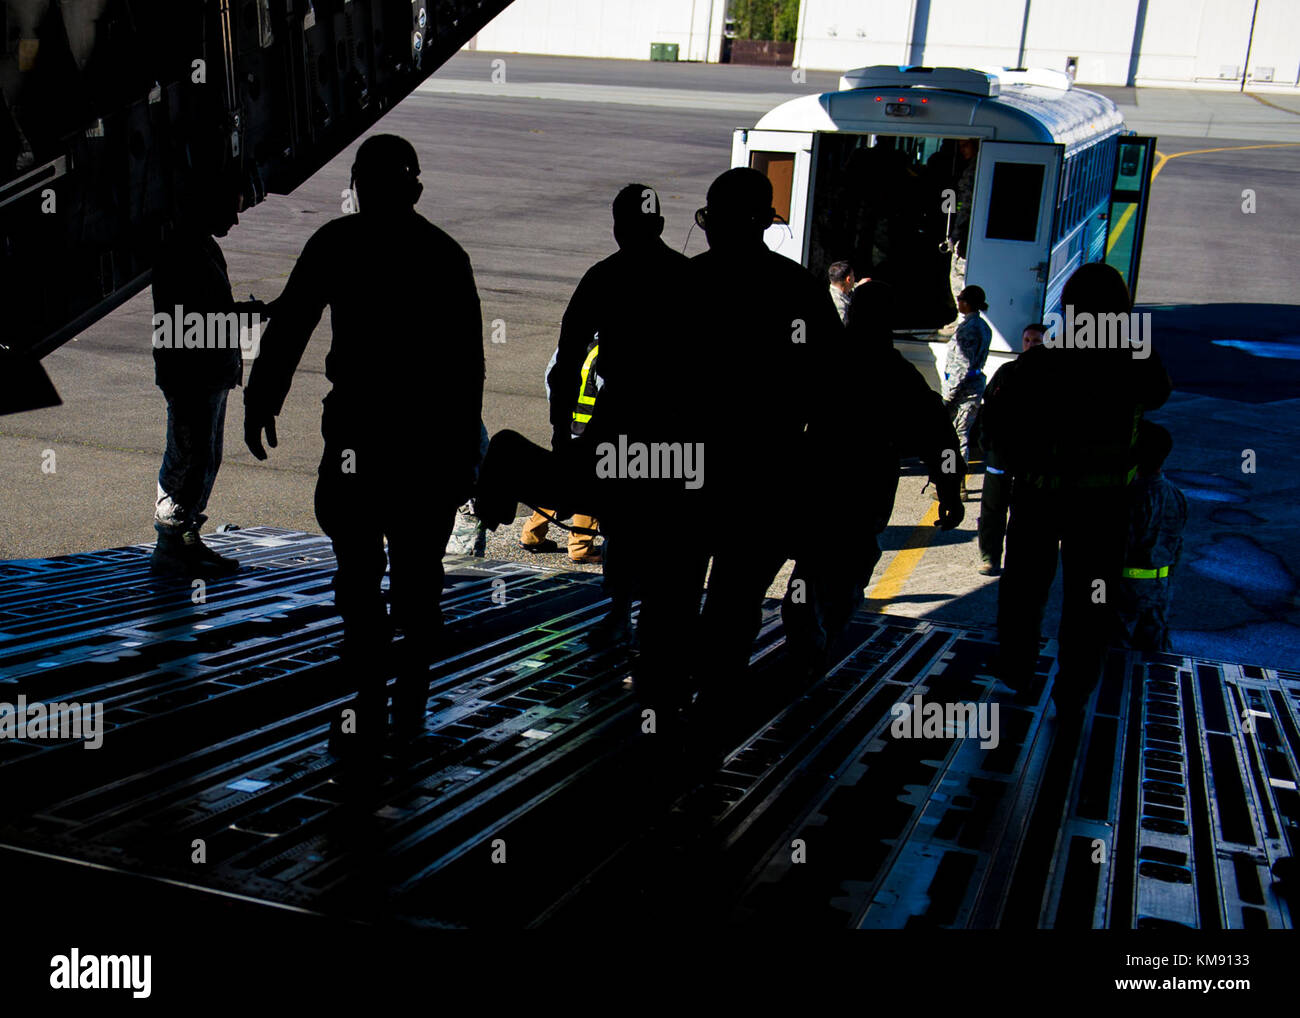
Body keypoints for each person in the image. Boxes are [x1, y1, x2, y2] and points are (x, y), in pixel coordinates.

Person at [243, 133, 485, 752]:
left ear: (357, 185)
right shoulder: (444, 256)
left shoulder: (336, 243)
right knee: (415, 578)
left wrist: (262, 398)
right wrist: (465, 452)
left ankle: (370, 690)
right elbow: (467, 368)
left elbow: (292, 324)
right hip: (425, 446)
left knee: (358, 569)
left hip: (358, 436)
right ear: (416, 188)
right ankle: (407, 701)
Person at [690, 168, 843, 721]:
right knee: (735, 597)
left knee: (678, 592)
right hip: (764, 474)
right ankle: (715, 700)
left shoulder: (686, 284)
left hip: (686, 473)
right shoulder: (799, 289)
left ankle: (670, 698)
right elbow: (830, 388)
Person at [994, 263, 1172, 716]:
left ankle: (1015, 669)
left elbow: (999, 424)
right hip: (1102, 507)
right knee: (1090, 599)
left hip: (1038, 499)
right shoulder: (1131, 366)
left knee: (1024, 589)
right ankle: (1074, 688)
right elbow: (1158, 391)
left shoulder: (1039, 364)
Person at [784, 281, 964, 680]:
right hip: (867, 487)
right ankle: (823, 641)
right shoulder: (899, 377)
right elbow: (940, 439)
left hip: (817, 483)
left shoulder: (822, 364)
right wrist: (949, 491)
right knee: (844, 577)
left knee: (809, 571)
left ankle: (805, 643)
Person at [150, 179, 262, 577]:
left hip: (209, 371)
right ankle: (173, 544)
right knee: (188, 457)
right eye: (228, 210)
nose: (234, 219)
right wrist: (253, 314)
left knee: (204, 457)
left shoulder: (200, 246)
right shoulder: (182, 251)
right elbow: (199, 318)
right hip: (192, 373)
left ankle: (183, 540)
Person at [519, 342, 603, 564]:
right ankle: (581, 547)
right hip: (593, 430)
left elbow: (552, 375)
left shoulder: (581, 342)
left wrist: (560, 414)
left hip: (570, 424)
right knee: (590, 486)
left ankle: (531, 534)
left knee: (561, 478)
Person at [976, 322, 1045, 576]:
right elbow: (988, 407)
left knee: (1025, 513)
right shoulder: (1007, 372)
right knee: (993, 509)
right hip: (1000, 455)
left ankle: (1020, 561)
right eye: (1027, 340)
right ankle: (990, 557)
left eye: (1036, 341)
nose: (1030, 345)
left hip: (1032, 459)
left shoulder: (1052, 376)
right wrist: (986, 441)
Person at [1117, 421, 1187, 652]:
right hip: (1160, 583)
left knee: (1113, 647)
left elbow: (1121, 542)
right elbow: (1177, 543)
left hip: (1127, 584)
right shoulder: (1175, 494)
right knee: (1153, 651)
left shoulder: (1131, 496)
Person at [940, 283, 993, 492]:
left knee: (953, 437)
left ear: (967, 303)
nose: (958, 302)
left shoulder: (970, 329)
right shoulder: (982, 326)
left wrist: (948, 396)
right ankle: (954, 481)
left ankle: (952, 483)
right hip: (973, 389)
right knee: (960, 435)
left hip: (961, 391)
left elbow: (961, 366)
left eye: (961, 299)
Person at [939, 138, 979, 336]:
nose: (962, 150)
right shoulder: (972, 166)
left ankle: (963, 318)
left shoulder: (976, 169)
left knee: (958, 276)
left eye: (966, 145)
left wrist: (959, 234)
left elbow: (968, 207)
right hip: (963, 232)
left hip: (966, 235)